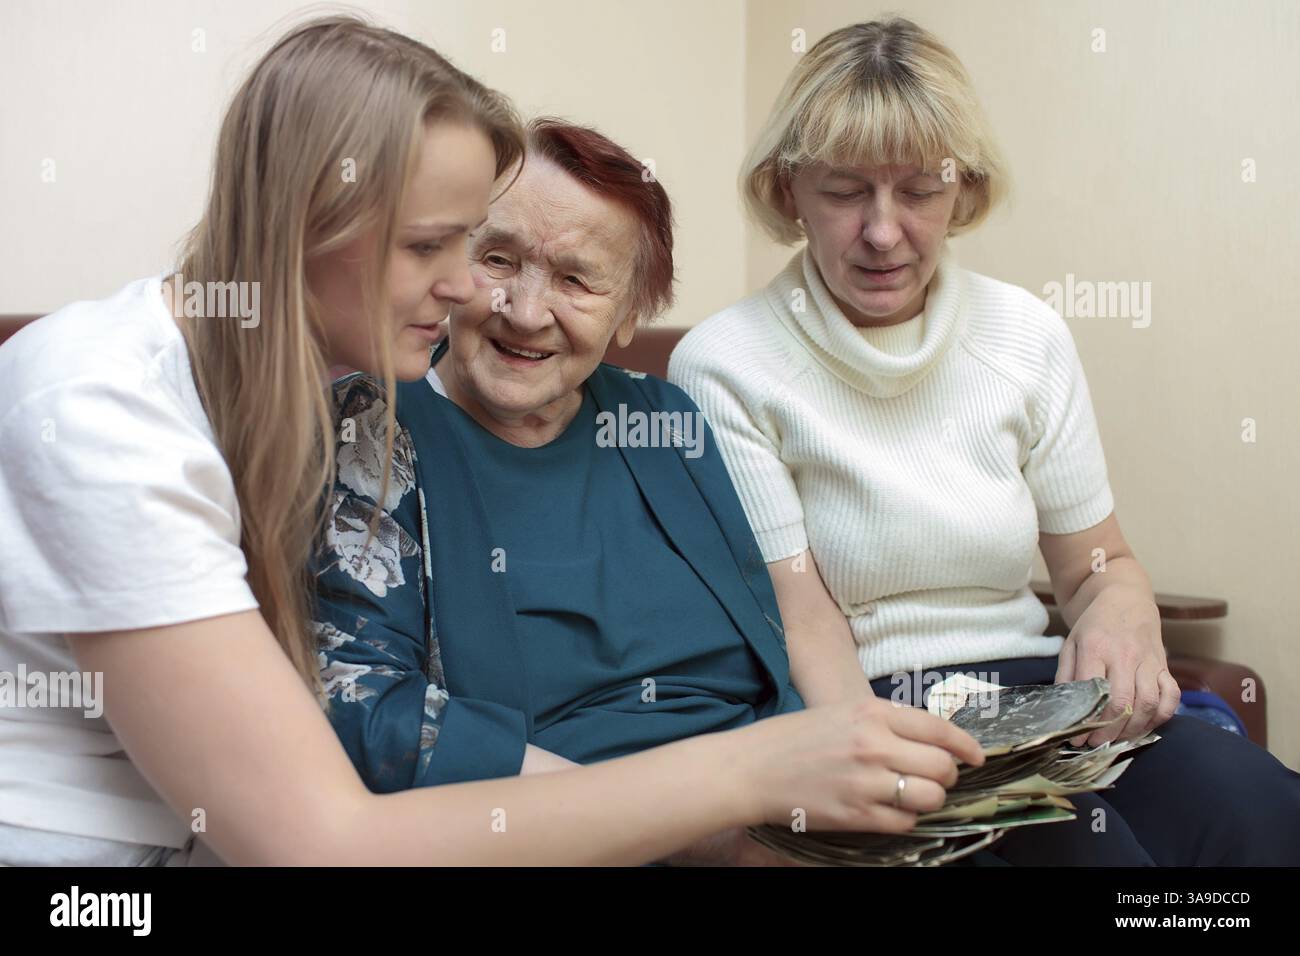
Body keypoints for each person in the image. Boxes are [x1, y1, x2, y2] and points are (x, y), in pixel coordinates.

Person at [0, 15, 982, 867]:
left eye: (467, 243)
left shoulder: (311, 384)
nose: (481, 293)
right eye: (443, 246)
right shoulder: (97, 404)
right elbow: (323, 837)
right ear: (305, 219)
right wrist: (750, 776)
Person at [668, 16, 1300, 865]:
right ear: (789, 193)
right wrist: (880, 770)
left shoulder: (1024, 335)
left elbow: (1095, 563)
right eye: (846, 190)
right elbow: (802, 619)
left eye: (919, 191)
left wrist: (1123, 617)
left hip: (1040, 696)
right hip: (872, 707)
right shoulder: (727, 363)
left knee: (1258, 808)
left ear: (963, 190)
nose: (884, 231)